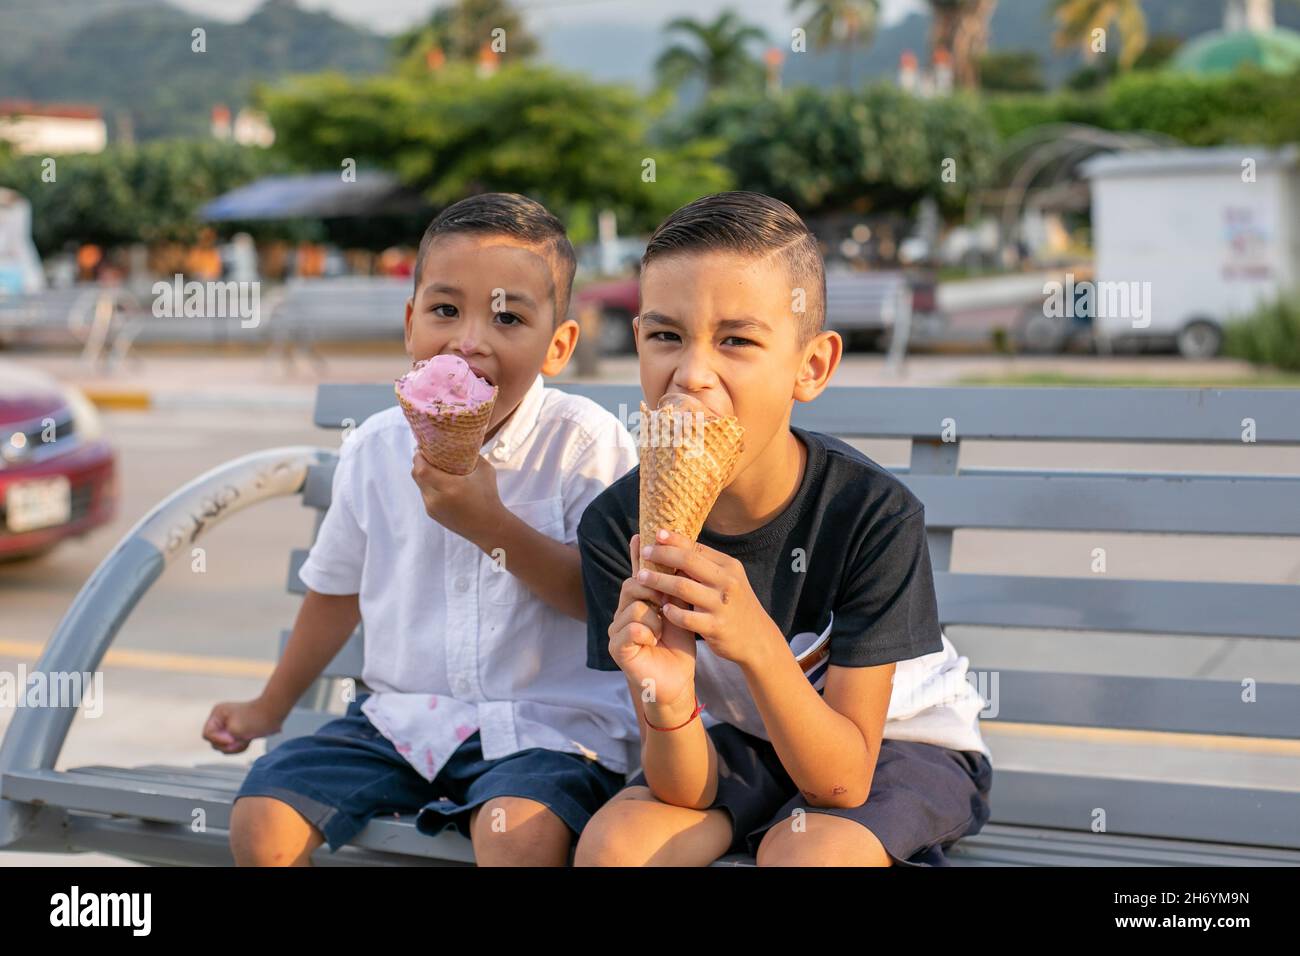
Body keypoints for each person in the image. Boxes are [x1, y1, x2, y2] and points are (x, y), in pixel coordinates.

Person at [203, 193, 640, 866]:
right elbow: (335, 592)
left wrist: (490, 525)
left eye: (508, 317)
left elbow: (605, 605)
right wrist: (269, 706)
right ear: (411, 326)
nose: (470, 339)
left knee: (515, 835)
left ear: (559, 344)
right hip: (400, 725)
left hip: (548, 732)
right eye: (445, 310)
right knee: (262, 816)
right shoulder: (375, 447)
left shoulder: (586, 445)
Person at [574, 191, 993, 867]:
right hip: (743, 738)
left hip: (892, 746)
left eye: (735, 340)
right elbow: (681, 789)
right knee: (614, 848)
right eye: (664, 336)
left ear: (812, 366)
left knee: (804, 857)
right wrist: (670, 696)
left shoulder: (870, 516)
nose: (691, 374)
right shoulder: (619, 525)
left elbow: (842, 779)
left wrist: (757, 642)